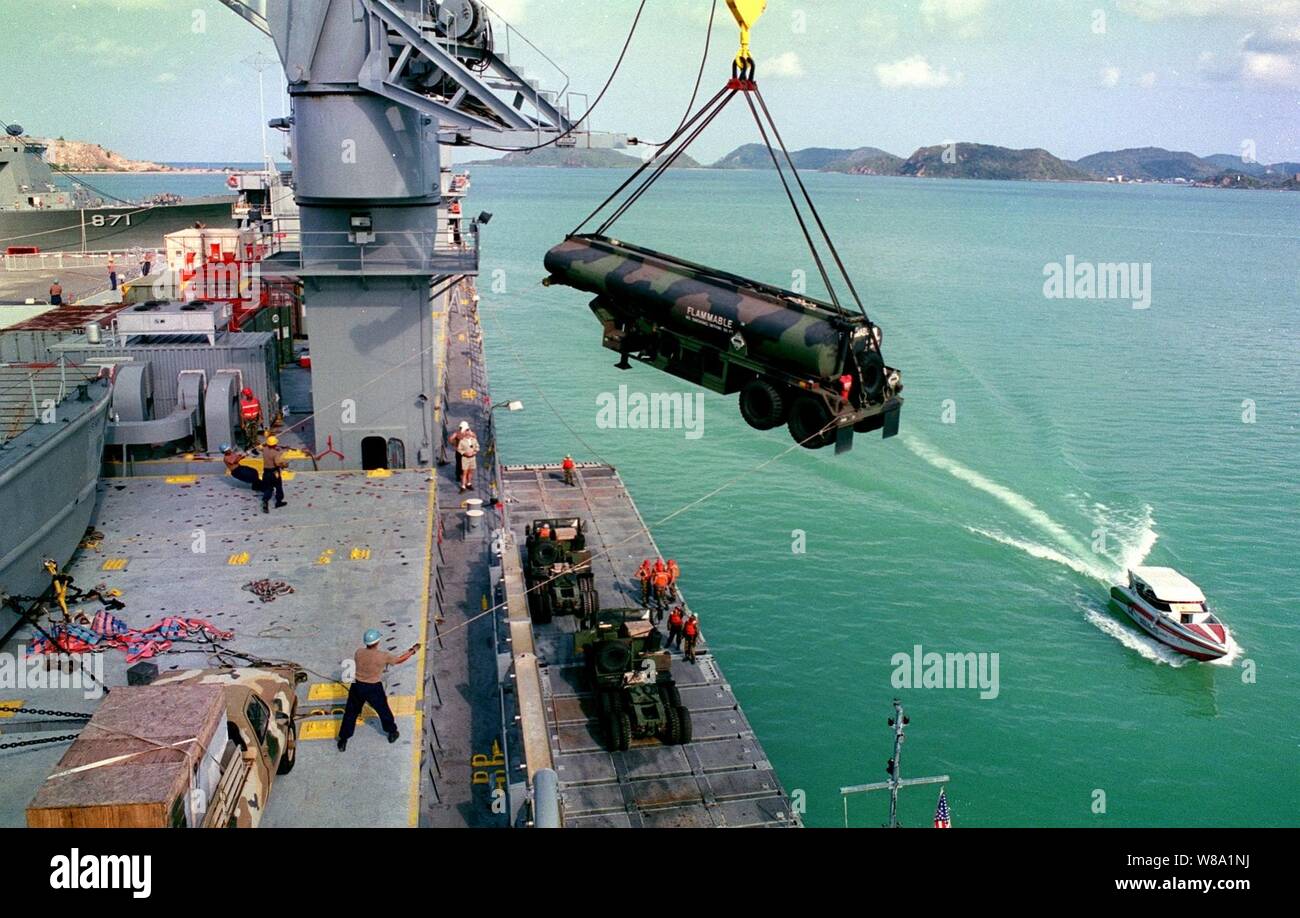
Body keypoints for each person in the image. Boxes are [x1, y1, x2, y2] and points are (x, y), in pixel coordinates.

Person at [337, 629, 420, 751]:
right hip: (373, 688)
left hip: (357, 686)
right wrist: (413, 650)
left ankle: (343, 739)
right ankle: (392, 732)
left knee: (351, 713)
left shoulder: (358, 652)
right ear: (377, 642)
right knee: (383, 711)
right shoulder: (383, 656)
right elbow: (399, 660)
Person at [260, 435, 289, 513]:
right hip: (274, 472)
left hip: (266, 472)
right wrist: (284, 465)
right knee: (278, 486)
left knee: (268, 488)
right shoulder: (275, 453)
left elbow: (261, 447)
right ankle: (278, 501)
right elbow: (277, 463)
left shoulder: (264, 449)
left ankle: (265, 501)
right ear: (275, 444)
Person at [456, 426, 479, 492]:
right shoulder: (462, 441)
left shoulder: (474, 440)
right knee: (464, 473)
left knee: (470, 472)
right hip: (465, 459)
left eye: (469, 432)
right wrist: (464, 453)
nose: (468, 433)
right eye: (467, 432)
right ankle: (463, 486)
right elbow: (459, 449)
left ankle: (469, 483)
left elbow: (477, 447)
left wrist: (475, 452)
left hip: (472, 458)